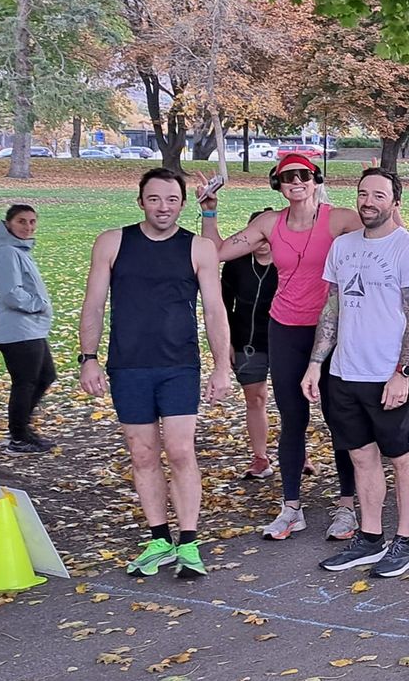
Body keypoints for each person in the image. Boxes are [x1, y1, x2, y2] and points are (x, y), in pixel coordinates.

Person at [196, 154, 363, 541]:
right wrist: (209, 211)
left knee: (340, 416)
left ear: (315, 179)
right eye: (288, 177)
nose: (296, 181)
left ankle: (346, 505)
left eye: (303, 175)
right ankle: (291, 507)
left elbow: (387, 233)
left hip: (333, 328)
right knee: (293, 418)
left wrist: (385, 199)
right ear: (278, 184)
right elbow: (216, 252)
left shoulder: (338, 219)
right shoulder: (269, 223)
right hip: (285, 327)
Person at [79, 168, 232, 577]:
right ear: (140, 201)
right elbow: (93, 304)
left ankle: (189, 541)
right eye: (154, 199)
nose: (163, 208)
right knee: (143, 453)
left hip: (178, 364)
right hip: (128, 365)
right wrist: (87, 357)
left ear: (183, 204)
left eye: (171, 200)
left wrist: (222, 367)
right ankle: (159, 539)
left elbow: (215, 312)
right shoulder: (112, 243)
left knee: (181, 451)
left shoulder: (198, 248)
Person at [307, 168, 409, 578]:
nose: (368, 202)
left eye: (379, 195)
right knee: (361, 458)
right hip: (344, 374)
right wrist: (315, 364)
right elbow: (332, 308)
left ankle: (406, 541)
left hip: (388, 375)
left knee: (402, 456)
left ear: (395, 202)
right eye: (363, 194)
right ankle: (370, 537)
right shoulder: (342, 247)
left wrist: (403, 372)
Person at [0, 204, 56, 453]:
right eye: (21, 221)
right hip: (17, 331)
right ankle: (18, 437)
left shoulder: (18, 250)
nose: (28, 227)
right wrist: (39, 305)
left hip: (30, 329)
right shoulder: (6, 252)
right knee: (25, 382)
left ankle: (23, 430)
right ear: (8, 224)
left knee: (46, 375)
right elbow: (11, 293)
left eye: (32, 221)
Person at [220, 208, 278, 479]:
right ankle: (260, 458)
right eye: (258, 237)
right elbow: (221, 303)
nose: (263, 243)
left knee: (293, 401)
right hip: (246, 340)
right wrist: (226, 342)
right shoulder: (237, 264)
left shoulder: (288, 262)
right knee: (255, 398)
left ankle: (298, 454)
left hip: (284, 340)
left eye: (269, 237)